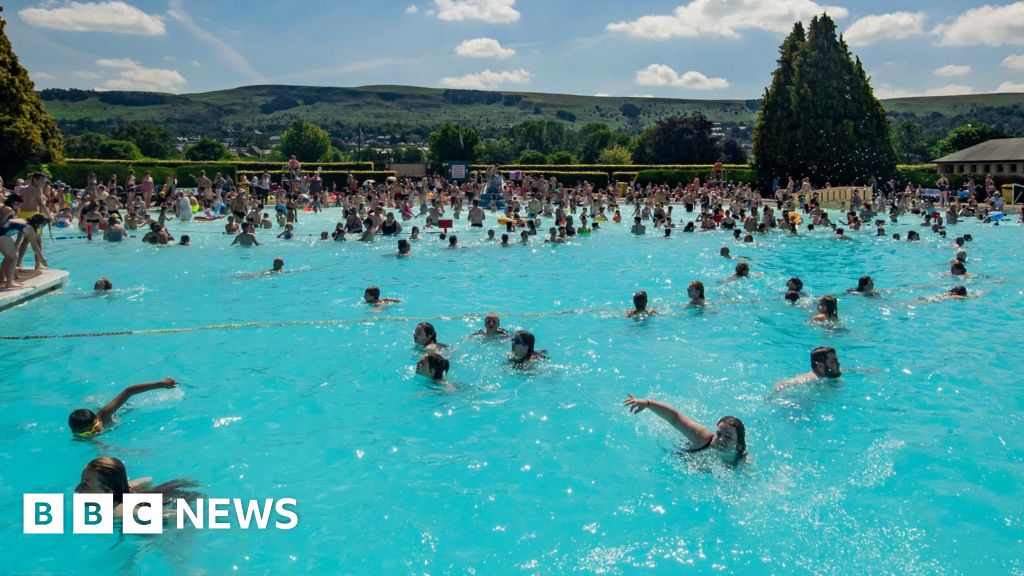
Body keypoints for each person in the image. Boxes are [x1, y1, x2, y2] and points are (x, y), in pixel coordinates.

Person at [623, 395, 746, 464]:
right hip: (680, 456)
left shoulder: (741, 457)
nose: (721, 439)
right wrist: (648, 403)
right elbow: (675, 417)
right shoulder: (702, 438)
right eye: (719, 434)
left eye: (728, 437)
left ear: (739, 443)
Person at [75, 456, 200, 515]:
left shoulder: (117, 511)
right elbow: (148, 480)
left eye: (86, 484)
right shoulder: (127, 492)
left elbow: (176, 514)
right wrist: (124, 486)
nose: (77, 489)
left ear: (108, 492)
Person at [68, 378, 178, 437]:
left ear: (97, 419)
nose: (95, 433)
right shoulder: (80, 436)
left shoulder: (104, 415)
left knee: (129, 407)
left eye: (96, 427)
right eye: (87, 433)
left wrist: (161, 384)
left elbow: (129, 390)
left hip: (122, 411)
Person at [774, 346, 842, 391]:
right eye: (833, 361)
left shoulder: (831, 372)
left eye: (837, 360)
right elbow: (781, 384)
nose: (838, 364)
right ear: (820, 366)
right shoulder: (810, 379)